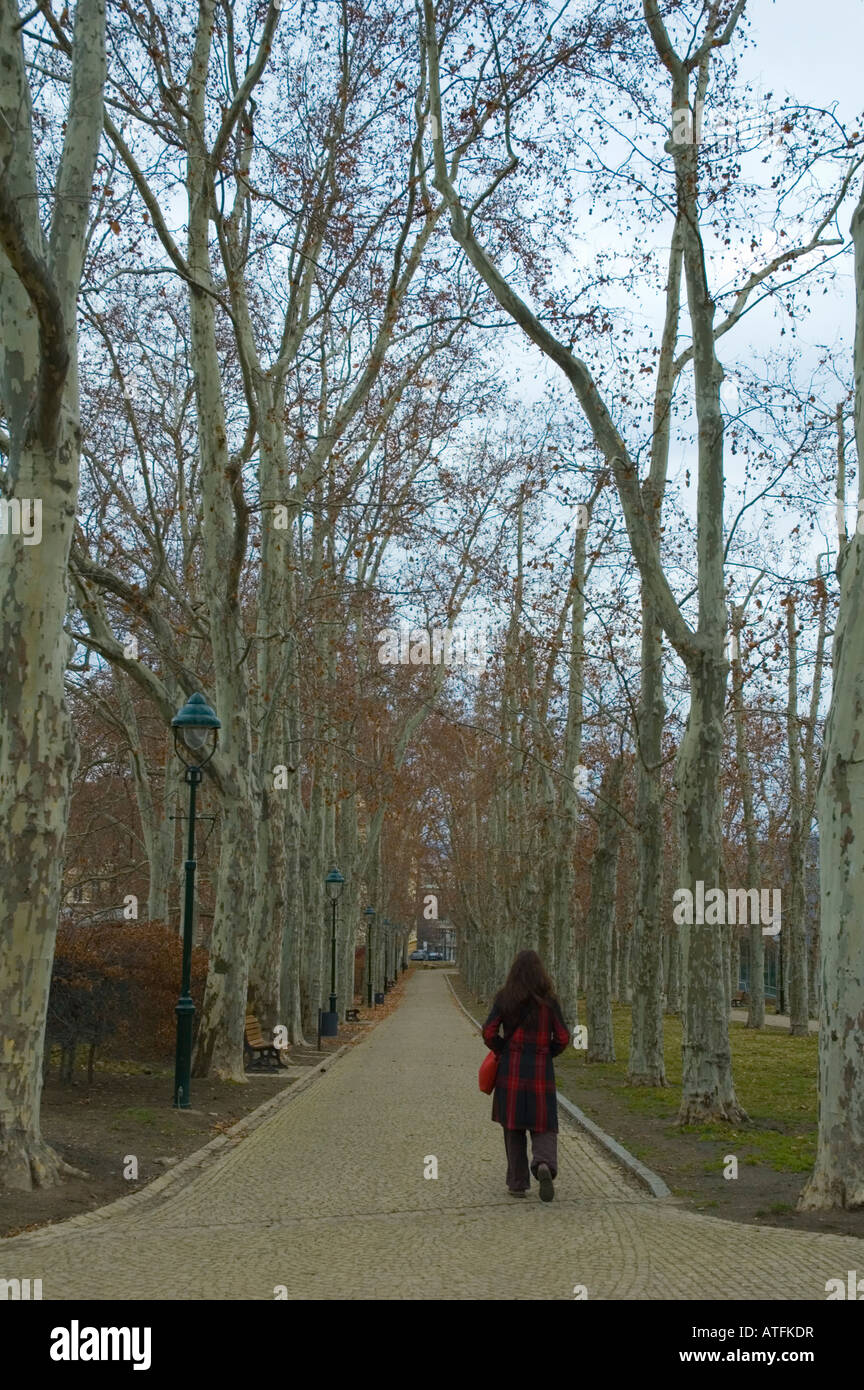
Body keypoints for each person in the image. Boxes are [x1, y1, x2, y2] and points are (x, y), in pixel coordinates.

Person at [482, 949, 570, 1201]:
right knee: (544, 1124)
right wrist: (547, 1053)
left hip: (511, 1070)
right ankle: (544, 1164)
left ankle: (518, 1183)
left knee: (513, 1127)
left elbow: (489, 1031)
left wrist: (503, 1049)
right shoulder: (549, 1001)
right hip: (541, 1072)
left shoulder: (504, 998)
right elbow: (563, 1037)